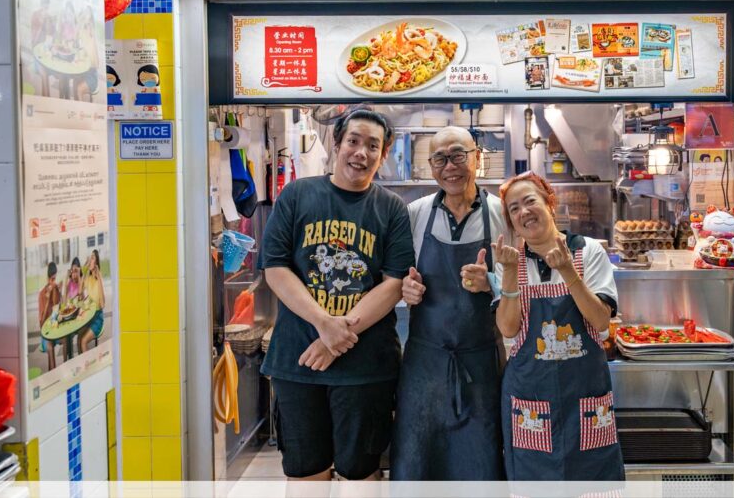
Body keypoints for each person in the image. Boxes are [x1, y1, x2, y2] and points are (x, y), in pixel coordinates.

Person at [261, 108, 415, 481]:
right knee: (305, 473)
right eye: (353, 141)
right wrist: (323, 323)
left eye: (372, 146)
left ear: (384, 153)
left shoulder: (391, 208)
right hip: (298, 361)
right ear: (337, 142)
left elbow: (393, 282)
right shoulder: (297, 195)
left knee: (359, 474)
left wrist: (335, 339)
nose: (361, 152)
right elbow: (275, 268)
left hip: (366, 368)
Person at [391, 126, 506, 480]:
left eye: (458, 155)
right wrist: (405, 289)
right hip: (424, 366)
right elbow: (395, 278)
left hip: (481, 366)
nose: (450, 166)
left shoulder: (502, 214)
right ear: (430, 166)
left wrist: (492, 283)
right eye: (440, 159)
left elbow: (525, 282)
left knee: (480, 467)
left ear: (476, 157)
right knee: (416, 465)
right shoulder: (414, 213)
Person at [493, 172, 624, 480]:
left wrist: (567, 271)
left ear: (549, 204)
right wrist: (509, 273)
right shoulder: (510, 262)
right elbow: (508, 329)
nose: (524, 212)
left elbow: (600, 320)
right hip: (531, 402)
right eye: (514, 209)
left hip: (585, 397)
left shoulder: (587, 251)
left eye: (530, 201)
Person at [79, 250, 106, 354]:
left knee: (83, 341)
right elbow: (80, 291)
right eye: (90, 257)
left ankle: (87, 363)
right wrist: (84, 270)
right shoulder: (89, 278)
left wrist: (98, 278)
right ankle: (84, 360)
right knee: (79, 336)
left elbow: (102, 304)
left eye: (93, 258)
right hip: (89, 316)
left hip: (97, 318)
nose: (90, 260)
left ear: (96, 262)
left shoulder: (99, 278)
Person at [37, 261, 61, 370]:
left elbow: (59, 309)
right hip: (46, 332)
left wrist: (59, 291)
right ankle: (52, 375)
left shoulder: (55, 289)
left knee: (66, 340)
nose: (53, 282)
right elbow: (41, 323)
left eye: (55, 279)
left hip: (55, 328)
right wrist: (47, 300)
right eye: (52, 279)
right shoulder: (42, 294)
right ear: (48, 279)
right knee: (50, 347)